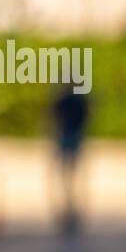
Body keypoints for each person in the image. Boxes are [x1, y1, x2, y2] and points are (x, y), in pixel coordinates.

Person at [51, 85, 89, 233]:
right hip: (72, 140)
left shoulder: (64, 99)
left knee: (68, 178)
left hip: (68, 140)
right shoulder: (75, 99)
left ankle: (70, 209)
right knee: (70, 178)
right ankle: (70, 209)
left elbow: (54, 120)